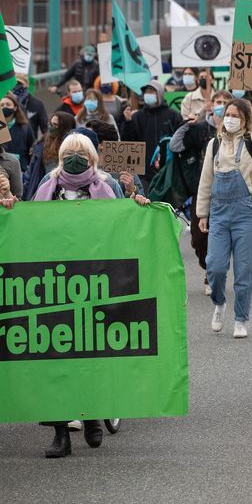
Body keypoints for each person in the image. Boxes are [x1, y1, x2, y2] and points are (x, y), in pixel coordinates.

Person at [18, 133, 150, 459]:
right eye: (69, 152)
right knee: (55, 358)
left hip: (95, 283)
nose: (75, 157)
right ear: (60, 157)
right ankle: (60, 432)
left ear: (91, 157)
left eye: (81, 152)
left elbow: (123, 224)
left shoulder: (108, 187)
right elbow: (29, 226)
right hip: (57, 286)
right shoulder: (46, 189)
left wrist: (137, 204)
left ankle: (92, 415)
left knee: (92, 354)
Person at [196, 85, 252, 338]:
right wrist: (203, 214)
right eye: (228, 114)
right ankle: (219, 303)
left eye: (236, 115)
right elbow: (206, 180)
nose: (231, 119)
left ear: (245, 120)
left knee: (244, 271)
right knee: (215, 266)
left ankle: (241, 318)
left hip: (246, 212)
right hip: (220, 213)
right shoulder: (214, 145)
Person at [170, 89, 232, 289]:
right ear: (211, 105)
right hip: (203, 190)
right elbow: (175, 146)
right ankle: (207, 266)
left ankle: (214, 273)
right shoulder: (201, 129)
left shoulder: (236, 131)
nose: (221, 104)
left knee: (222, 235)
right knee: (198, 236)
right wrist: (185, 126)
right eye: (218, 101)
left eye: (225, 101)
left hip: (228, 192)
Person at [120, 81, 183, 184]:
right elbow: (128, 141)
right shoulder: (137, 117)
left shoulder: (173, 115)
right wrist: (128, 122)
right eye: (146, 92)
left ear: (160, 94)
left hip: (168, 171)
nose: (148, 94)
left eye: (152, 92)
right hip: (144, 174)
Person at [23, 112, 76, 199]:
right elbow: (30, 173)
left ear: (65, 128)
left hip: (62, 193)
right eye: (50, 124)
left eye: (55, 125)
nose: (51, 127)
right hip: (41, 190)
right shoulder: (41, 144)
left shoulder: (71, 148)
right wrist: (25, 194)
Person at [1, 92, 33, 171]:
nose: (5, 107)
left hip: (21, 170)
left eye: (8, 104)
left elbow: (32, 149)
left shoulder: (25, 127)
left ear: (15, 107)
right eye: (1, 105)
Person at [13, 74, 47, 140]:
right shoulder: (7, 103)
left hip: (31, 144)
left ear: (27, 85)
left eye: (20, 83)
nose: (17, 86)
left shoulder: (37, 104)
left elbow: (45, 128)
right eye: (15, 83)